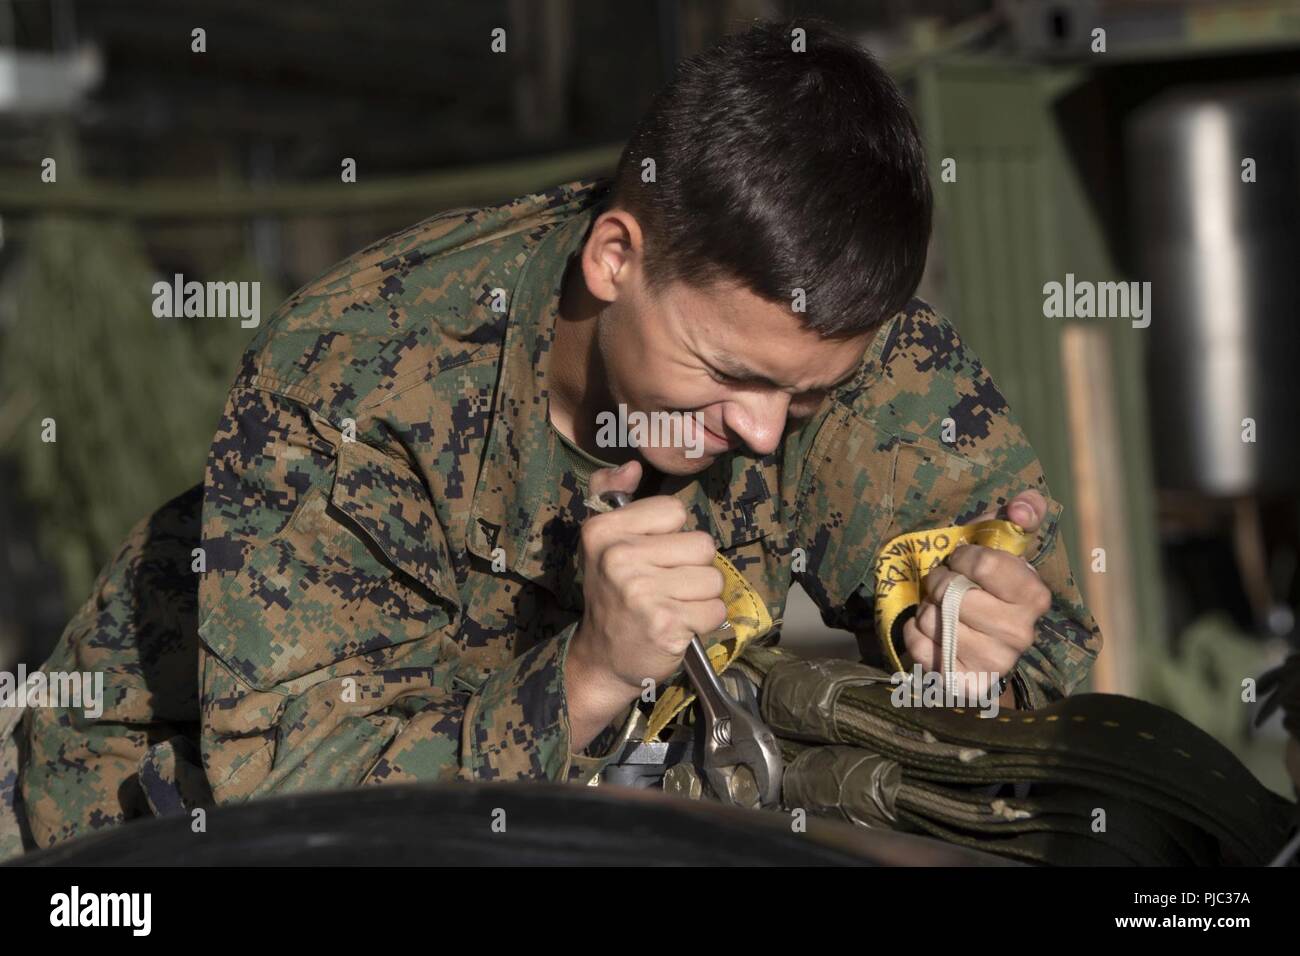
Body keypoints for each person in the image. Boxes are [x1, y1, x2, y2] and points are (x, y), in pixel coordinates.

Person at [1, 19, 1100, 857]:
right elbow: (297, 804)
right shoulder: (358, 383)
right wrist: (586, 674)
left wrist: (963, 662)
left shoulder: (832, 346)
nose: (764, 427)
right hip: (140, 828)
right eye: (728, 377)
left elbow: (1044, 657)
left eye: (807, 396)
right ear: (615, 258)